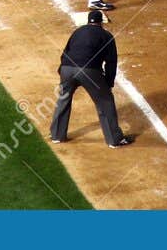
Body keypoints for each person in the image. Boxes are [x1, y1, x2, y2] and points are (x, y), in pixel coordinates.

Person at [49, 9, 133, 147]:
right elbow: (111, 62)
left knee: (63, 98)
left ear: (88, 21)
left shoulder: (77, 32)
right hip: (89, 72)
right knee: (105, 101)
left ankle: (57, 135)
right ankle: (114, 140)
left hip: (67, 68)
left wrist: (63, 73)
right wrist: (108, 83)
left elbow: (65, 52)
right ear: (101, 23)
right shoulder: (106, 35)